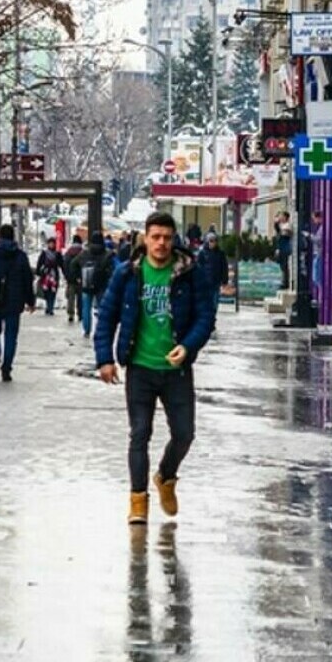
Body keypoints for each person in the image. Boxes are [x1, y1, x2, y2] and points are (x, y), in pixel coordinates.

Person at [94, 212, 218, 525]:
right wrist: (104, 359)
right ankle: (138, 500)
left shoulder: (190, 273)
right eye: (155, 237)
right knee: (140, 433)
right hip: (140, 367)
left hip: (175, 369)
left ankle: (165, 476)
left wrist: (188, 346)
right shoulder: (128, 273)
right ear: (145, 239)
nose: (161, 243)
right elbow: (107, 316)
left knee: (184, 434)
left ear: (174, 239)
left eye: (166, 237)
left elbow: (206, 317)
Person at [0, 224, 36, 381]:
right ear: (13, 236)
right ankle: (6, 368)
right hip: (14, 301)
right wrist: (30, 301)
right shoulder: (21, 256)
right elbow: (28, 279)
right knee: (11, 335)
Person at [74, 232, 112, 338]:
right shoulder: (106, 253)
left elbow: (73, 264)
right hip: (101, 285)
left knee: (86, 307)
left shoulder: (85, 253)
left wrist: (78, 277)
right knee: (101, 307)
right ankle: (101, 328)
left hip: (87, 283)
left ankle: (87, 330)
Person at [198, 229, 231, 301]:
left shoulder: (220, 253)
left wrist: (225, 280)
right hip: (205, 281)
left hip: (216, 281)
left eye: (214, 241)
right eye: (211, 241)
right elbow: (198, 267)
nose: (213, 243)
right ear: (207, 241)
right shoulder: (202, 253)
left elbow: (224, 267)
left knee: (214, 300)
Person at [35, 238, 64, 316]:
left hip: (54, 275)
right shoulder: (44, 253)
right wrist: (38, 272)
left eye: (52, 243)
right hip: (45, 275)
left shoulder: (58, 254)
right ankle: (48, 306)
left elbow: (62, 264)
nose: (51, 245)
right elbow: (39, 263)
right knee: (46, 292)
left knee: (53, 291)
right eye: (50, 243)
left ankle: (50, 308)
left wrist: (65, 273)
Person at [62, 234, 85, 324]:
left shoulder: (68, 252)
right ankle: (80, 314)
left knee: (71, 298)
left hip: (71, 280)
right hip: (80, 279)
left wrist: (67, 277)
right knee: (80, 298)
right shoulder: (83, 252)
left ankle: (71, 314)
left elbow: (65, 266)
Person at [273, 212, 293, 285]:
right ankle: (283, 281)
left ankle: (285, 282)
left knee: (284, 265)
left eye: (281, 216)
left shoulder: (288, 225)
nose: (280, 218)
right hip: (281, 247)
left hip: (285, 247)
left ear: (285, 217)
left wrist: (277, 226)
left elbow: (284, 234)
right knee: (281, 265)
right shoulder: (282, 225)